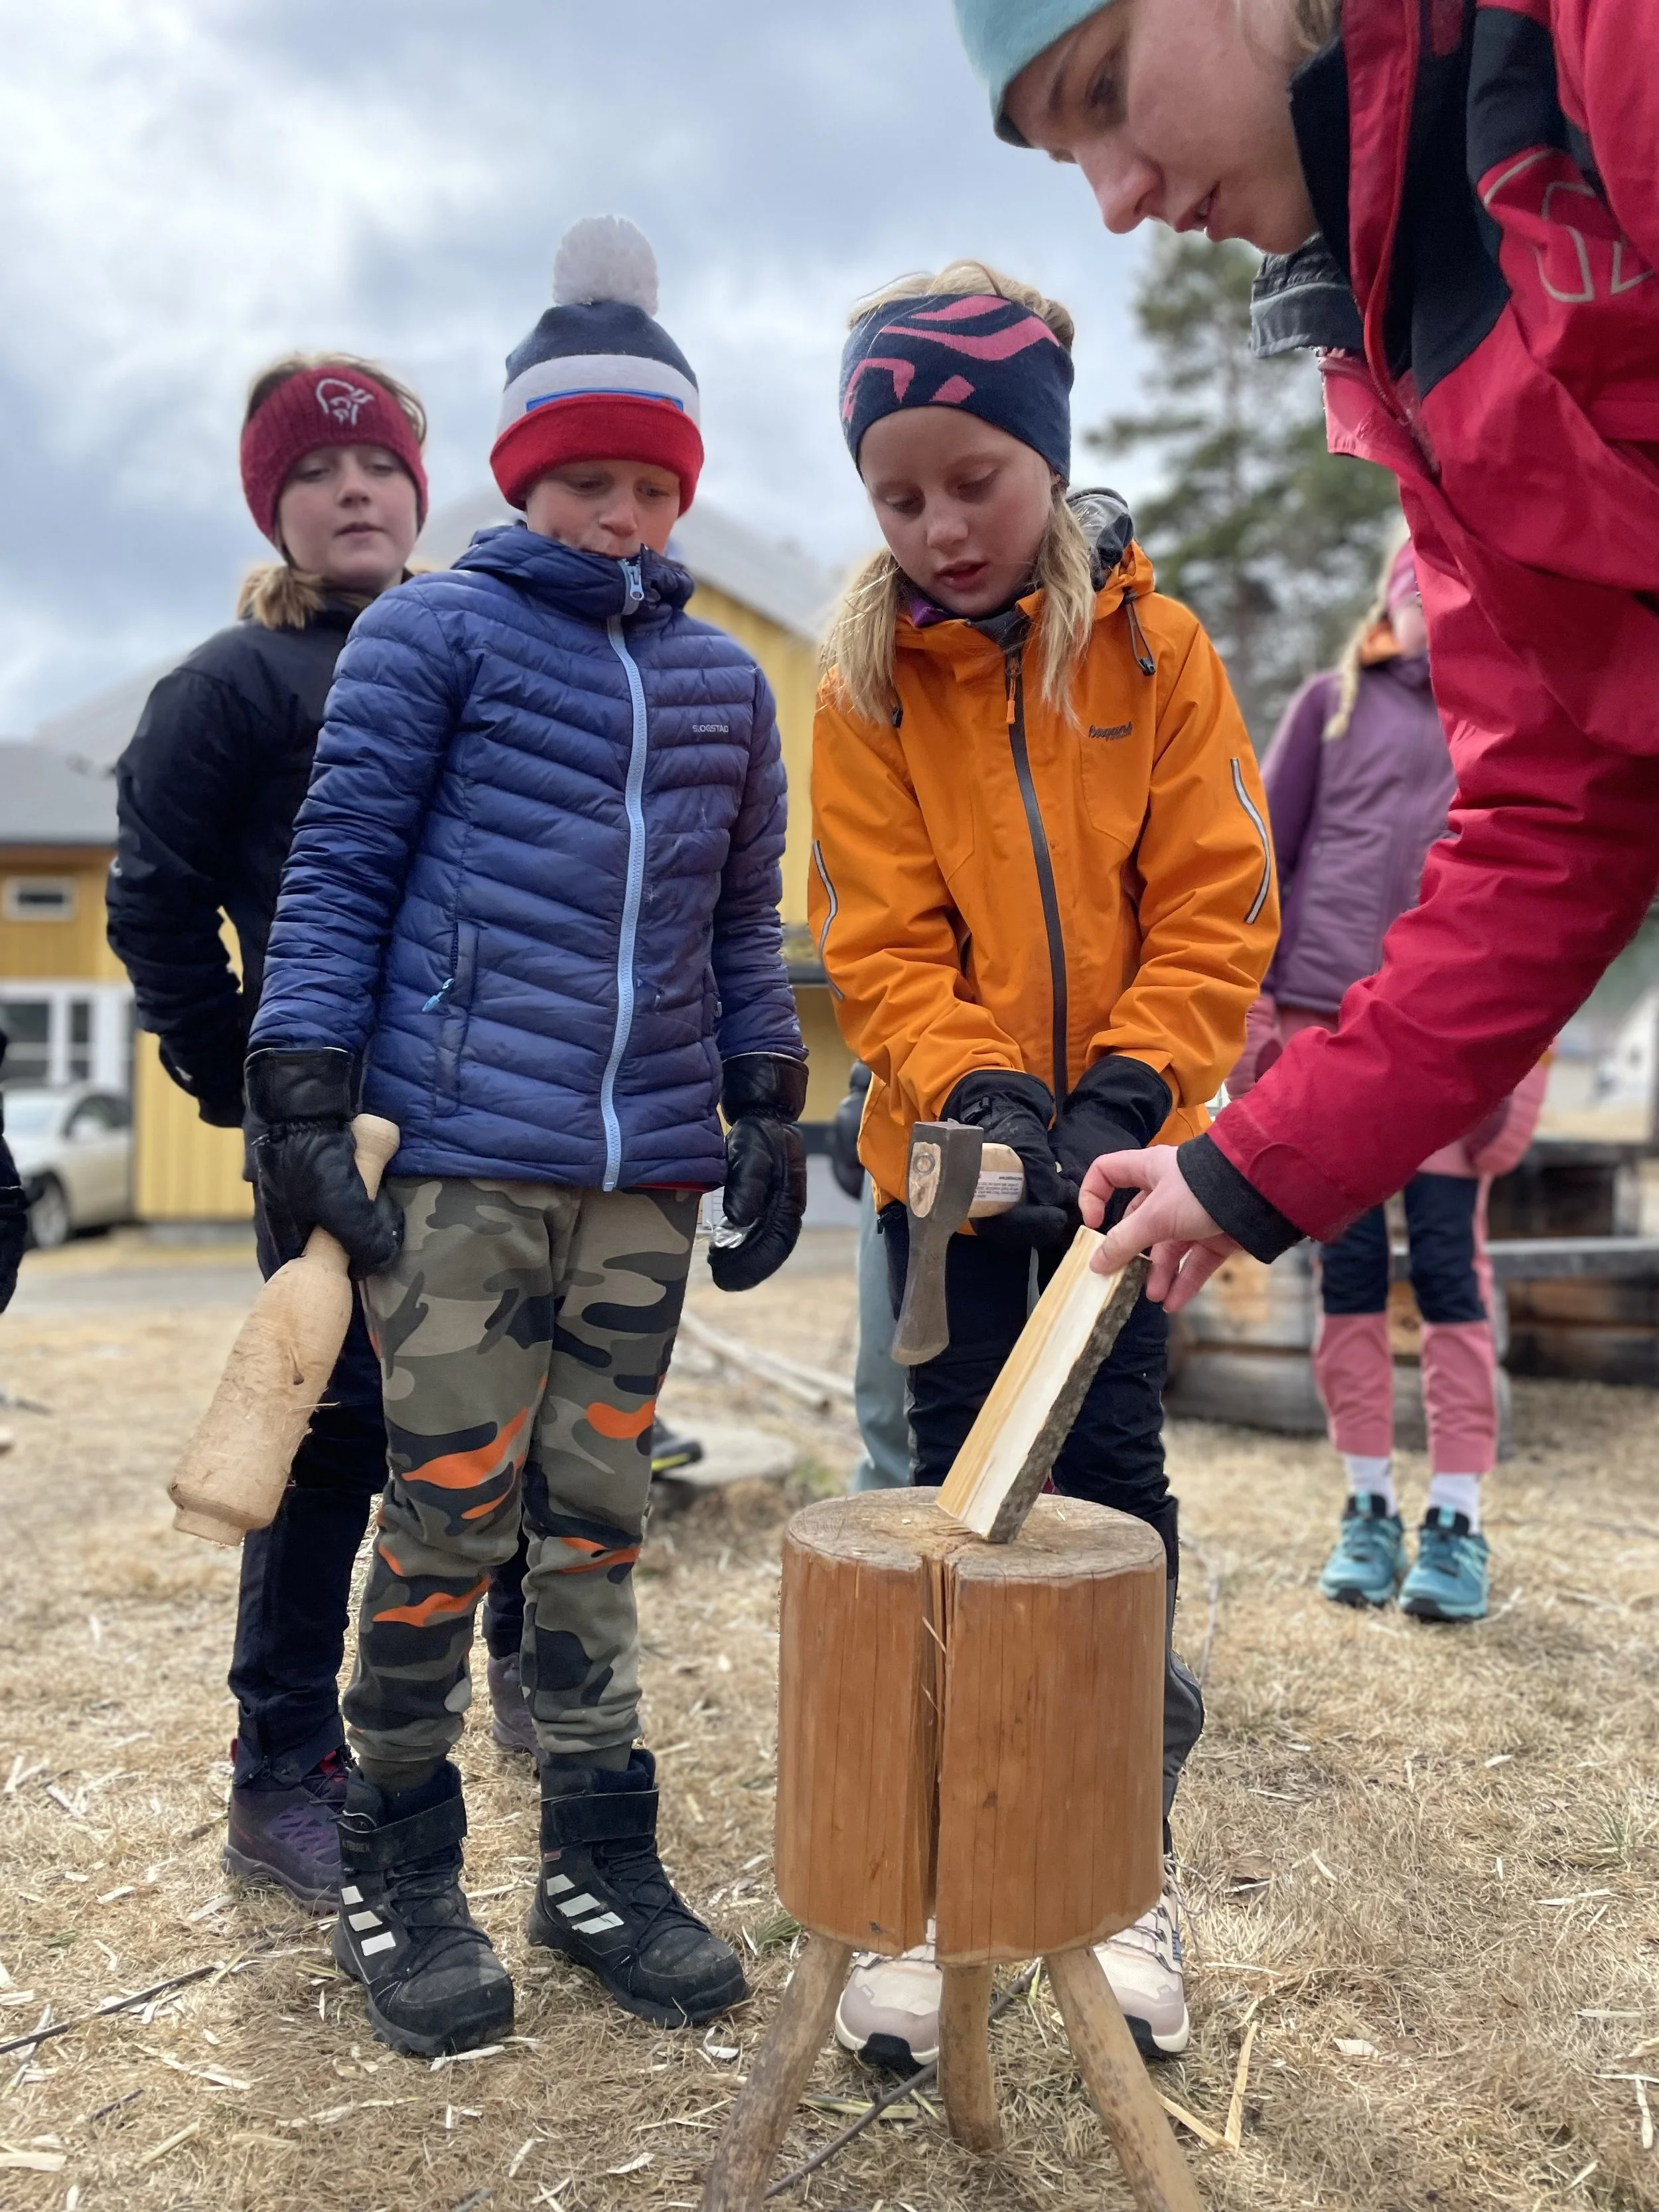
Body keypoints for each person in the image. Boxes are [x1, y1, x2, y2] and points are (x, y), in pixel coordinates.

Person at [249, 218, 807, 2056]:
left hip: (642, 1172)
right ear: (518, 475)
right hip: (468, 1168)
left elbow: (742, 923)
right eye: (584, 479)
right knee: (445, 1514)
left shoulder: (727, 687)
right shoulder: (428, 635)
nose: (618, 515)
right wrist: (302, 1090)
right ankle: (395, 1853)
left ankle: (595, 1858)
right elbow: (336, 869)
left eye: (650, 485)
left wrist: (765, 1095)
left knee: (596, 1523)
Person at [949, 2, 1659, 1313]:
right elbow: (1551, 823)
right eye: (1066, 162)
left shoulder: (1586, 48)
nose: (1114, 202)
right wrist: (1248, 1169)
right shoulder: (1396, 331)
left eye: (1104, 88)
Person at [810, 261, 1277, 2065]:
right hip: (951, 1178)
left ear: (1043, 453)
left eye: (970, 481)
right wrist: (983, 1091)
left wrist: (1135, 1084)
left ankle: (1105, 1864)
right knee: (952, 1496)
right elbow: (877, 939)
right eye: (895, 494)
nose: (936, 526)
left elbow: (1216, 895)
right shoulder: (861, 686)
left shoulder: (1155, 655)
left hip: (1123, 1179)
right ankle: (940, 1881)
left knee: (1105, 1490)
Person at [106, 352, 532, 1917]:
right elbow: (151, 899)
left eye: (379, 470)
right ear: (269, 510)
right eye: (311, 475)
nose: (352, 492)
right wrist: (243, 1088)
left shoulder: (476, 648)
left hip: (503, 1117)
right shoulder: (235, 685)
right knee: (338, 1433)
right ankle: (282, 1766)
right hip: (330, 1140)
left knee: (521, 1414)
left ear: (423, 493)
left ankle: (526, 1673)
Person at [1250, 537, 1546, 1621]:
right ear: (1393, 598)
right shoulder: (1330, 706)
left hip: (1446, 1045)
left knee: (1454, 1277)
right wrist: (1253, 1023)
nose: (1441, 615)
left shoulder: (1511, 725)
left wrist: (1522, 1072)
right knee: (1351, 1271)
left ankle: (1457, 1519)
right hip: (1323, 1032)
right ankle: (1366, 1506)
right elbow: (1263, 867)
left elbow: (1532, 917)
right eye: (1426, 595)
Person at [828, 1063, 912, 1493]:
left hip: (1058, 1105)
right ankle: (888, 1530)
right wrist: (865, 1079)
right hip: (905, 1105)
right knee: (890, 1362)